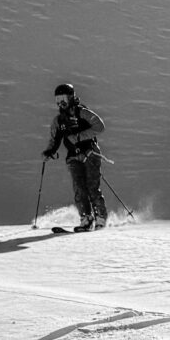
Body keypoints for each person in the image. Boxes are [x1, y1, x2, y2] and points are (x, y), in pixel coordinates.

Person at [42, 82, 107, 230]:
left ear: (71, 97)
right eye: (57, 100)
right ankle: (86, 218)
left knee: (92, 187)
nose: (61, 103)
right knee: (79, 189)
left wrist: (79, 137)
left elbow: (100, 126)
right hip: (73, 157)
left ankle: (100, 218)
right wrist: (49, 152)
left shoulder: (82, 113)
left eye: (63, 99)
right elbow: (54, 140)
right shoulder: (58, 121)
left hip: (90, 153)